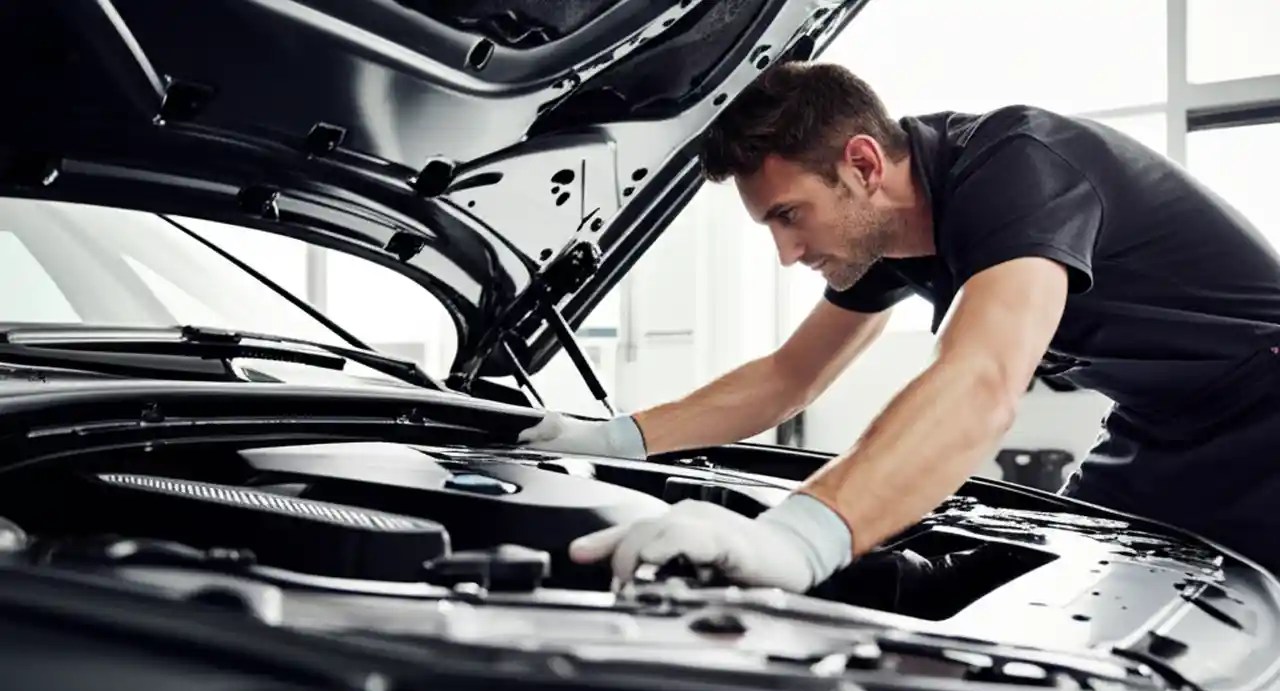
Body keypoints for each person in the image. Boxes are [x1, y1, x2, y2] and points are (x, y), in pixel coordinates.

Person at [518, 61, 1280, 589]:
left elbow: (982, 381)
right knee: (1053, 586)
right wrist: (611, 437)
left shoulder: (1021, 166)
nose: (786, 253)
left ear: (862, 164)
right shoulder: (887, 236)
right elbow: (788, 378)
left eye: (790, 216)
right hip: (1163, 434)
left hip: (1269, 419)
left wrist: (800, 537)